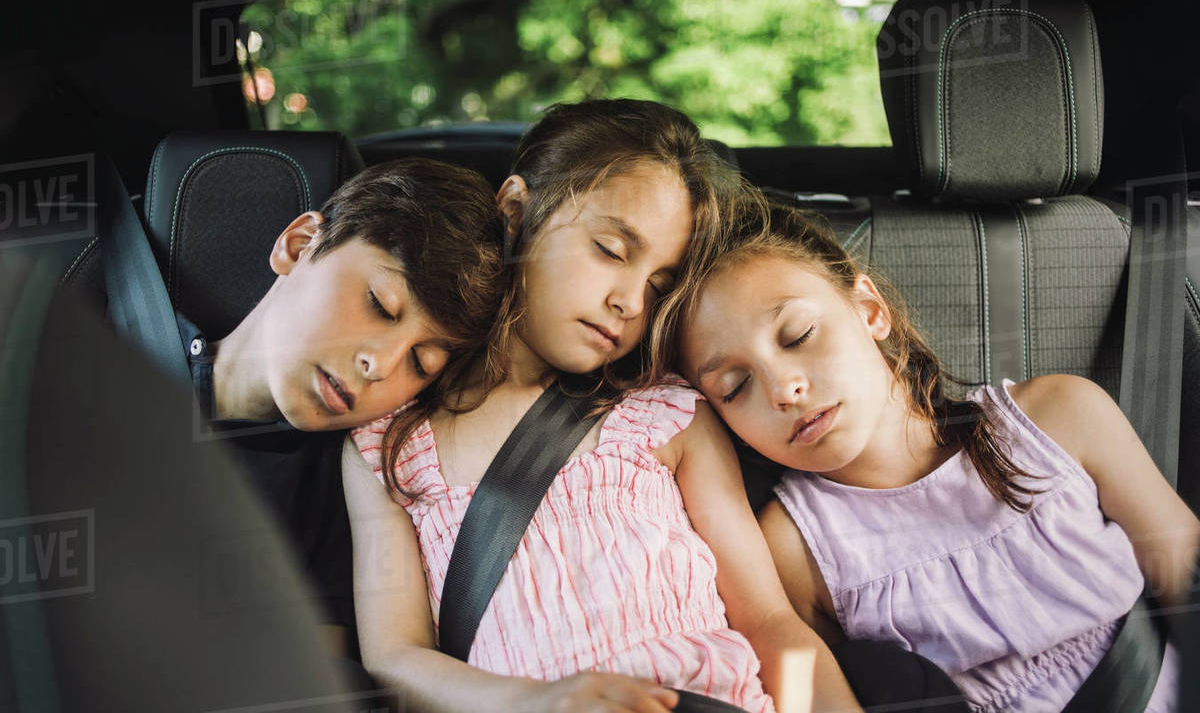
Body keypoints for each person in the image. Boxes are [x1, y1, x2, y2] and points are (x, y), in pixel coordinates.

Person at [343, 100, 862, 713]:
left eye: (659, 285)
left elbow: (772, 625)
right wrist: (533, 703)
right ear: (516, 212)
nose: (629, 301)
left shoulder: (666, 414)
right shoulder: (393, 443)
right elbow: (396, 657)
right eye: (612, 250)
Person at [672, 200, 1200, 712]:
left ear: (870, 310)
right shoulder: (790, 552)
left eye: (799, 335)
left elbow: (1185, 574)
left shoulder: (1060, 417)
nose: (783, 389)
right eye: (736, 387)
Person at [179, 157, 507, 657]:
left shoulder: (347, 502)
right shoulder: (105, 358)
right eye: (379, 305)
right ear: (299, 245)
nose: (379, 364)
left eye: (421, 363)